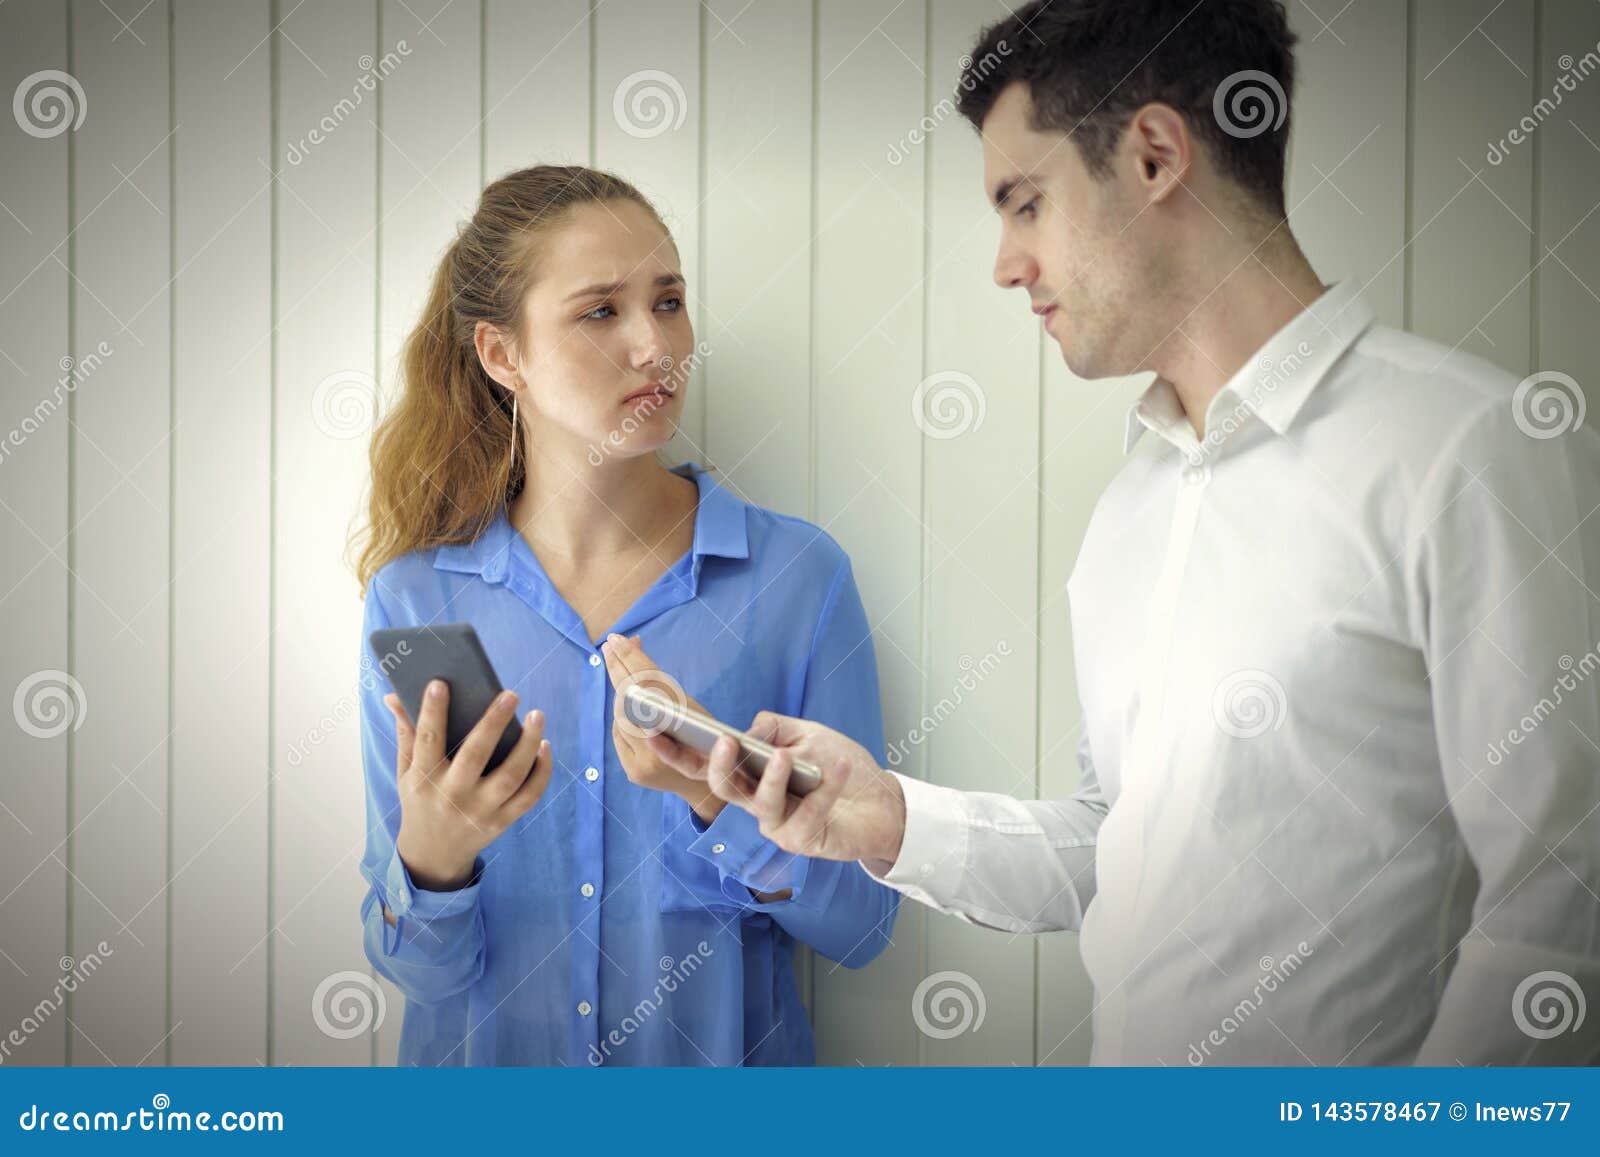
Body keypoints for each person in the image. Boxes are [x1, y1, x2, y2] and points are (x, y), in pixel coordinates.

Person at [647, 0, 1600, 1066]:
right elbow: (1118, 847)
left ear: (1153, 155)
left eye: (1025, 203)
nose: (1006, 264)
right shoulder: (1137, 500)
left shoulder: (1468, 448)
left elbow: (1562, 903)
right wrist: (883, 817)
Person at [351, 164, 898, 1066]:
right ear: (502, 354)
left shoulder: (800, 580)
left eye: (669, 302)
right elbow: (420, 976)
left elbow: (863, 926)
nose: (656, 346)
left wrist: (713, 796)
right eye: (601, 311)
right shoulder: (415, 600)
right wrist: (434, 860)